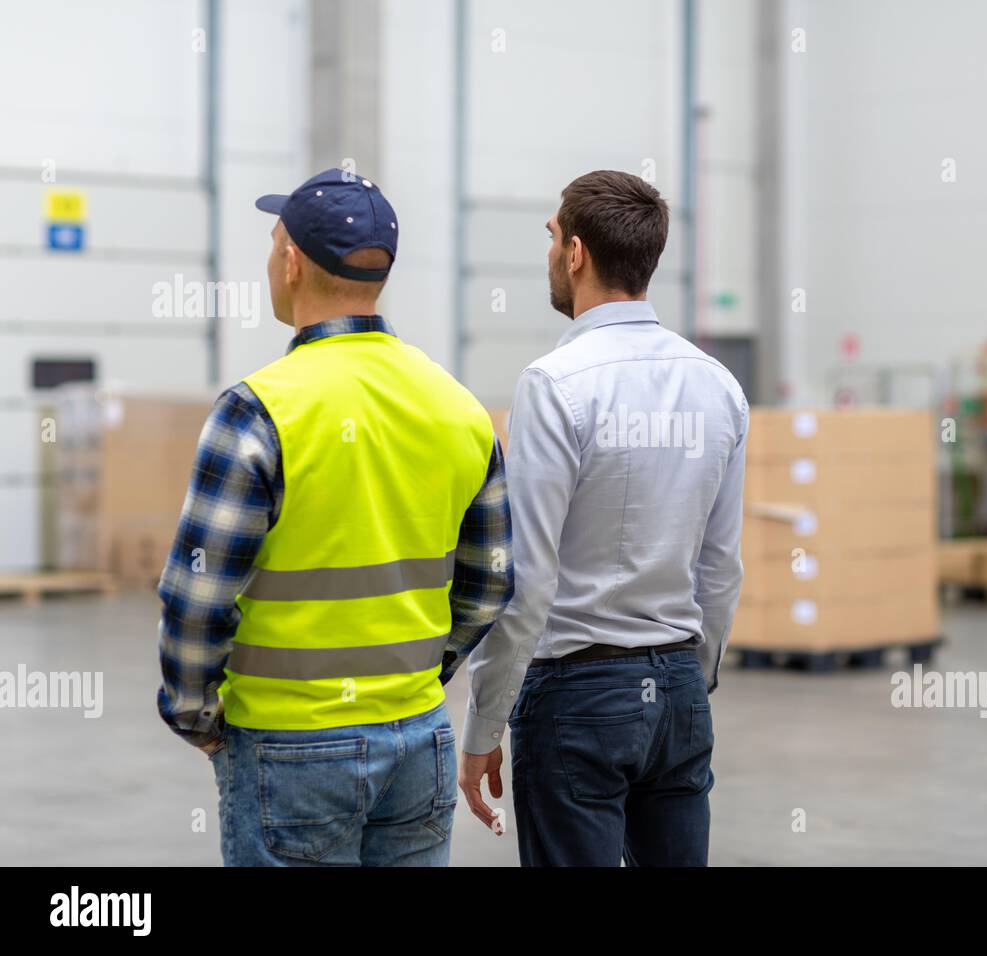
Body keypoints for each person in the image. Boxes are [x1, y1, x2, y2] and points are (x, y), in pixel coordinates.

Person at [156, 168, 513, 866]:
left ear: (291, 262)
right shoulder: (459, 407)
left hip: (287, 747)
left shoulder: (258, 411)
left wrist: (195, 715)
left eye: (272, 243)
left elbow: (198, 596)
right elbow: (492, 582)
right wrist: (420, 674)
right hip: (418, 740)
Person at [459, 170, 747, 866]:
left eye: (553, 237)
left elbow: (527, 583)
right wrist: (689, 678)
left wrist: (483, 725)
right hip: (679, 687)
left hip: (577, 696)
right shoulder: (717, 386)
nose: (551, 254)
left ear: (578, 253)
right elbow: (720, 569)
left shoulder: (555, 385)